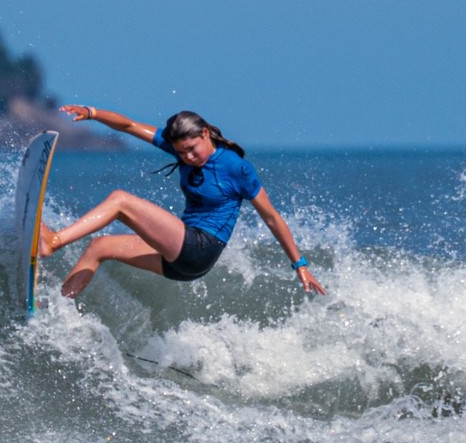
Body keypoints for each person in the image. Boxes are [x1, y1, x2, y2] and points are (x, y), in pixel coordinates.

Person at [38, 104, 326, 300]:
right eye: (181, 152)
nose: (187, 157)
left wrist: (299, 264)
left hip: (199, 248)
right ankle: (60, 312)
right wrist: (92, 112)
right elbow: (128, 126)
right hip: (180, 259)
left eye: (191, 149)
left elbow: (272, 217)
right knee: (98, 247)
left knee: (120, 201)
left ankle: (55, 241)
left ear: (204, 134)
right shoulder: (180, 149)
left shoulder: (235, 166)